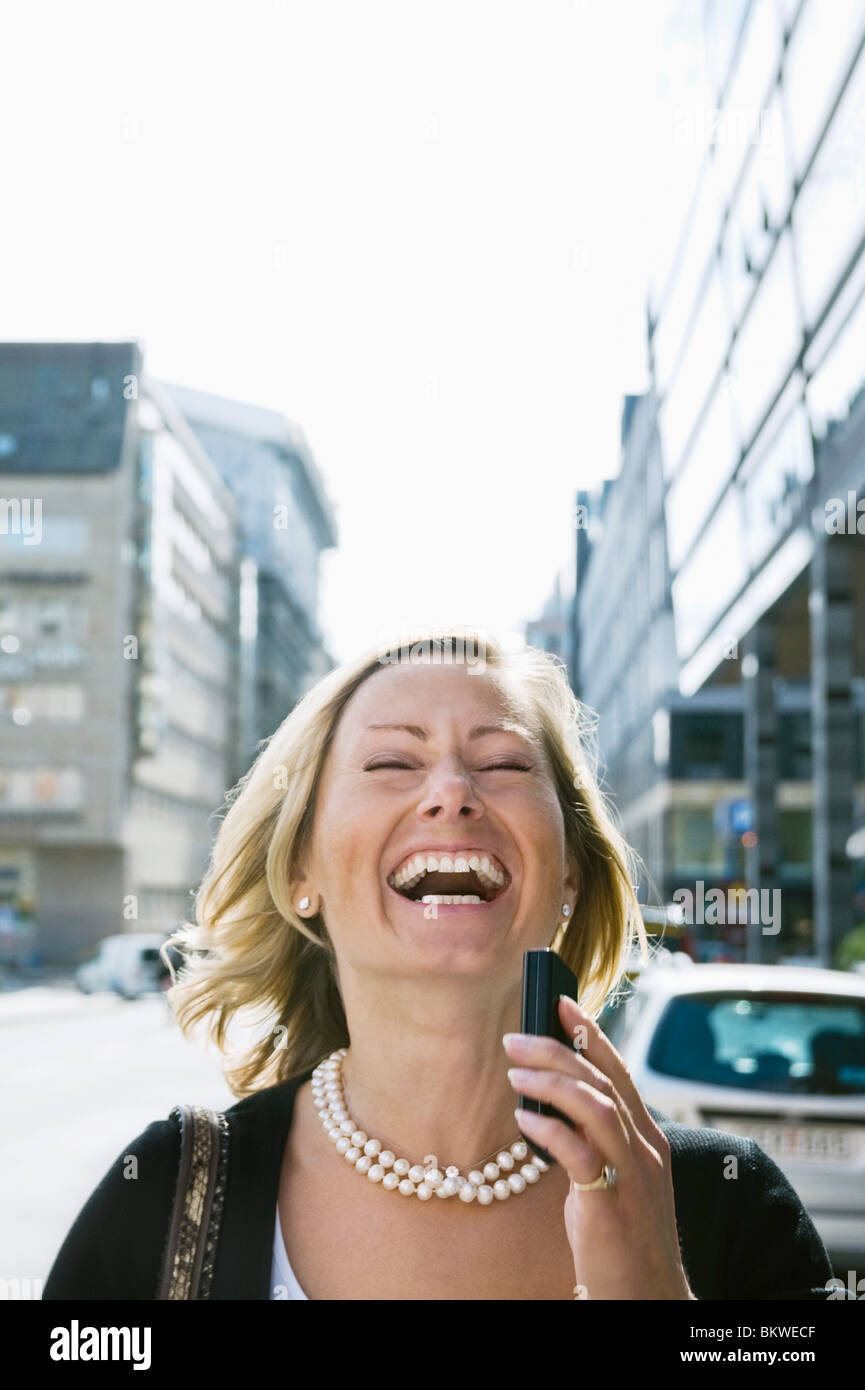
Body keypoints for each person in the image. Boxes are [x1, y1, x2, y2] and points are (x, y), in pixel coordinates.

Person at [43, 630, 834, 1300]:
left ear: (570, 871)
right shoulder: (164, 1195)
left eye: (505, 764)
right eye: (391, 762)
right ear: (300, 870)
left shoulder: (726, 1204)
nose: (452, 792)